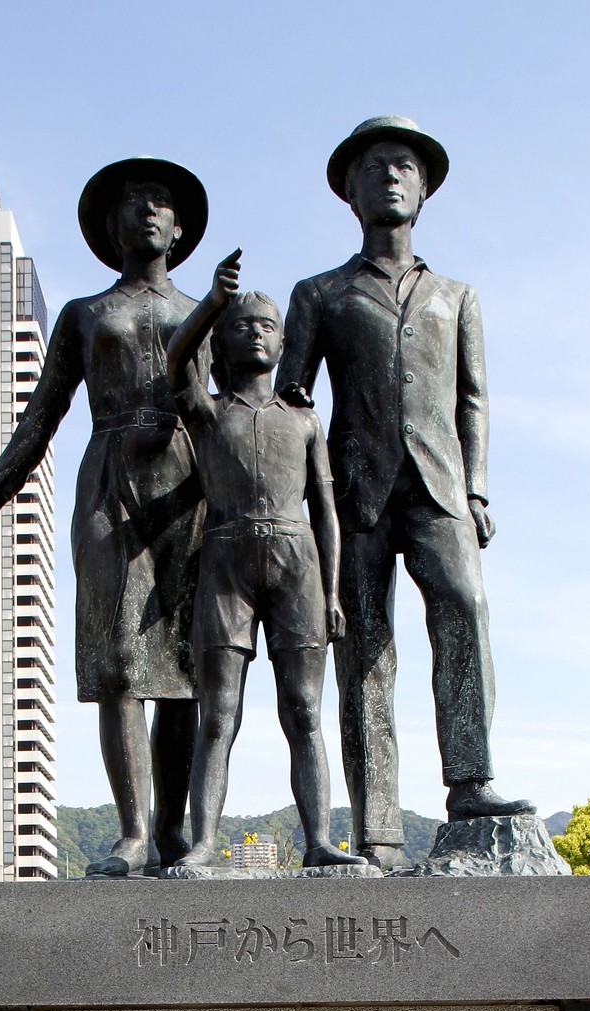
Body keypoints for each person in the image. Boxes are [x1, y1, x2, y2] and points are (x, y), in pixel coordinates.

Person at [0, 158, 210, 877]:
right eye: (133, 203)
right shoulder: (87, 315)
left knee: (185, 666)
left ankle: (175, 833)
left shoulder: (203, 312)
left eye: (161, 203)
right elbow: (39, 418)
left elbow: (235, 410)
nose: (148, 211)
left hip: (188, 482)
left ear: (179, 229)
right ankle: (132, 833)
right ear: (110, 226)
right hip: (109, 477)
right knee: (117, 660)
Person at [277, 115, 532, 872]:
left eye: (403, 166)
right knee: (364, 651)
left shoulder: (458, 295)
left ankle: (471, 780)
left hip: (441, 484)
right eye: (373, 167)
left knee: (466, 609)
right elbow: (294, 394)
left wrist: (478, 489)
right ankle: (377, 827)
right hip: (353, 491)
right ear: (348, 194)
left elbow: (474, 400)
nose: (389, 175)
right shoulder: (320, 292)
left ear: (424, 191)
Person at [164, 249, 366, 874]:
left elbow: (326, 511)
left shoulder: (303, 418)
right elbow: (175, 357)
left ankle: (319, 840)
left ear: (283, 344)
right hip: (225, 559)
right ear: (221, 344)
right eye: (240, 325)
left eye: (268, 325)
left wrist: (331, 591)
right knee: (218, 714)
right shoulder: (208, 412)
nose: (255, 331)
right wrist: (212, 304)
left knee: (304, 709)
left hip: (297, 558)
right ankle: (202, 844)